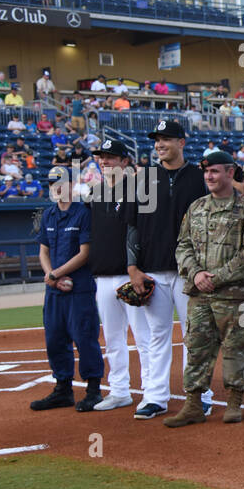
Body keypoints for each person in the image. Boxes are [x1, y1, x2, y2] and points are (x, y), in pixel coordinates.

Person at [125, 119, 212, 420]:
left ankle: (198, 395)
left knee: (195, 336)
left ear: (182, 143)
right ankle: (155, 397)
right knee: (157, 335)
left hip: (191, 271)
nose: (160, 144)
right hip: (153, 269)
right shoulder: (144, 178)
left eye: (166, 139)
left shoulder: (199, 178)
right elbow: (133, 226)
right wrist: (133, 268)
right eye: (157, 140)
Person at [165, 150, 244, 427]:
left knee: (237, 348)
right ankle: (193, 404)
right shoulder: (196, 207)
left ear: (230, 173)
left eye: (215, 171)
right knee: (195, 348)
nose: (209, 176)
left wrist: (215, 277)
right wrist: (196, 274)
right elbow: (183, 246)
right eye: (206, 172)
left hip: (236, 297)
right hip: (200, 295)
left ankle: (234, 402)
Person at [30, 166, 103, 412]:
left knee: (84, 338)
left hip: (79, 288)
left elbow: (86, 253)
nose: (57, 187)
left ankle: (93, 390)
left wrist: (55, 274)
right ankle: (63, 389)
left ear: (73, 185)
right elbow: (43, 250)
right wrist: (50, 277)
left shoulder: (83, 213)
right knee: (54, 338)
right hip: (54, 291)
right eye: (53, 184)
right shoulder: (49, 215)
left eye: (61, 182)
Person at [86, 137, 139, 411]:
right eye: (101, 157)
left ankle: (155, 393)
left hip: (131, 276)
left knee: (145, 338)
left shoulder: (136, 191)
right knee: (113, 339)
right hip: (104, 277)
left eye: (110, 157)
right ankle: (120, 391)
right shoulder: (94, 195)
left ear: (125, 161)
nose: (104, 161)